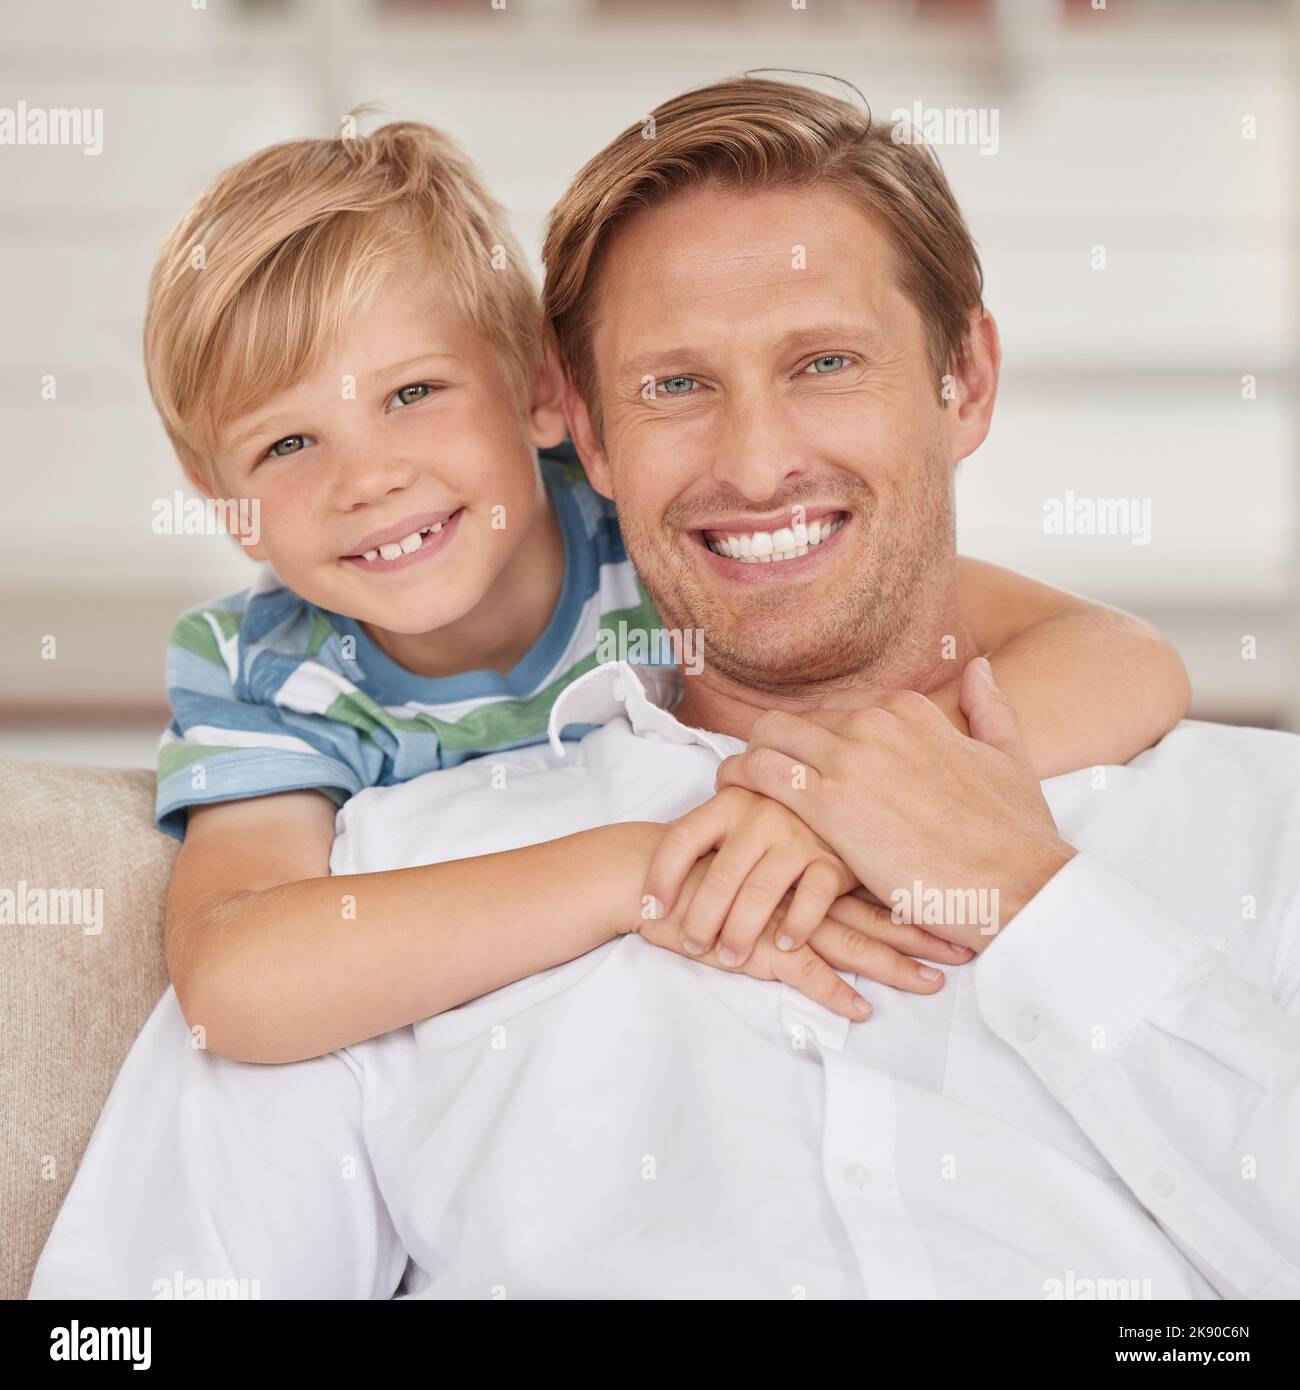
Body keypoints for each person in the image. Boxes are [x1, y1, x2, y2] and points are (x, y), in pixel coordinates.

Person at [31, 77, 1297, 1300]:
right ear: (590, 429)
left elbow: (1118, 652)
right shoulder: (368, 867)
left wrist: (881, 823)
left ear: (961, 379)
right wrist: (661, 866)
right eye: (676, 385)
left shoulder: (1253, 821)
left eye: (823, 361)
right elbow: (220, 1034)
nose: (755, 463)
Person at [145, 118, 1187, 1064]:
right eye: (287, 444)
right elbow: (236, 981)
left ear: (544, 395)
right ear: (220, 496)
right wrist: (641, 872)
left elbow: (1119, 656)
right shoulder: (264, 669)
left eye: (413, 393)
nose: (367, 479)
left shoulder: (661, 531)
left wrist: (854, 806)